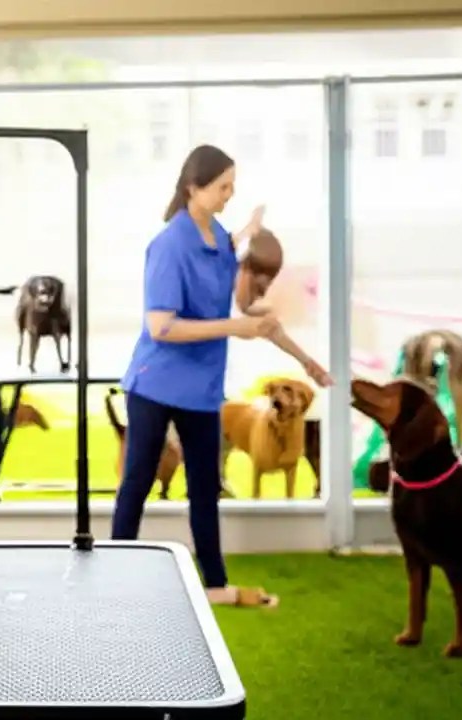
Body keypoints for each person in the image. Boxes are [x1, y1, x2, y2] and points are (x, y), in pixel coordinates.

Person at [112, 144, 331, 608]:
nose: (230, 194)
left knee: (205, 487)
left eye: (233, 186)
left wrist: (305, 360)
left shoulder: (221, 242)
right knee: (138, 481)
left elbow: (249, 314)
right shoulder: (169, 246)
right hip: (155, 383)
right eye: (222, 187)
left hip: (201, 389)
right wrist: (234, 326)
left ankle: (215, 582)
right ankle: (112, 575)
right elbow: (161, 326)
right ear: (194, 188)